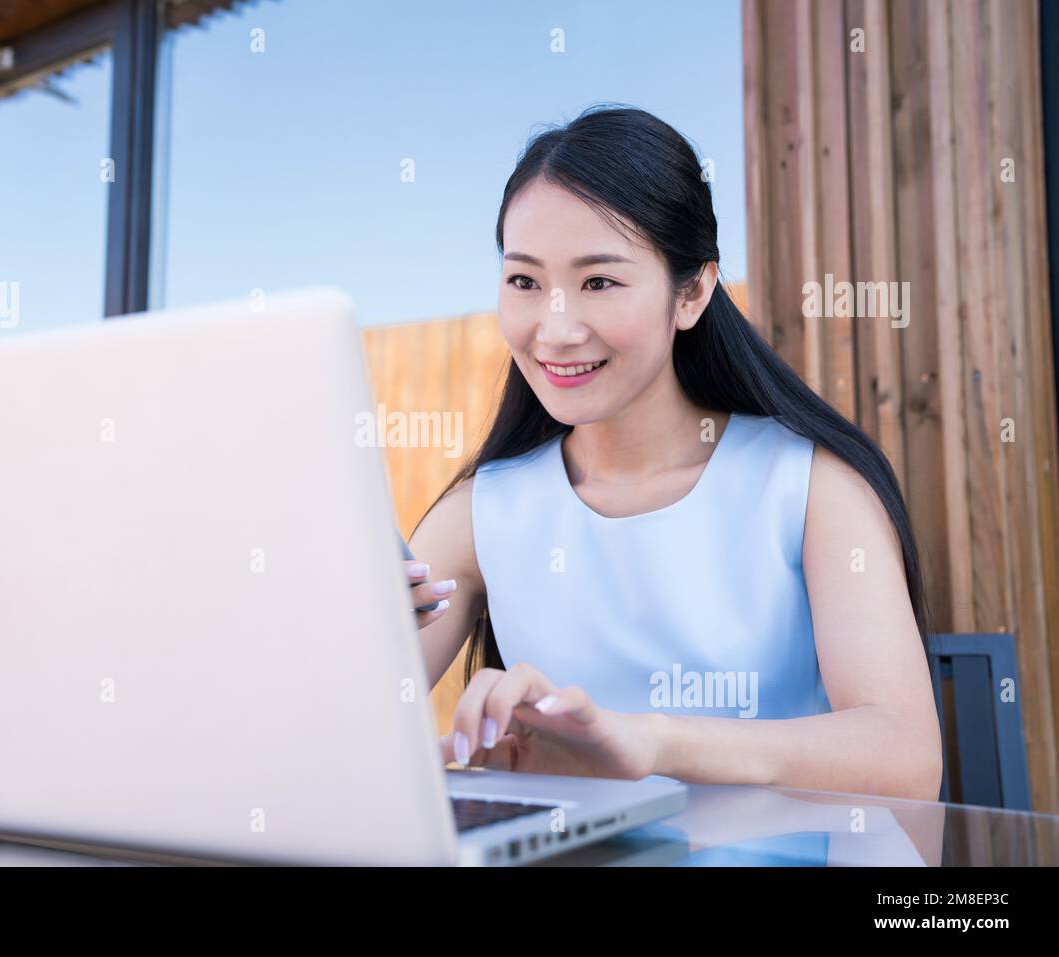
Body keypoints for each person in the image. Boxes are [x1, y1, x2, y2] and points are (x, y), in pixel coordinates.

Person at [402, 105, 942, 801]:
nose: (555, 328)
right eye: (524, 281)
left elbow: (905, 755)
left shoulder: (808, 485)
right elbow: (340, 728)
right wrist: (345, 623)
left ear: (692, 291)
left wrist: (648, 741)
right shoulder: (483, 510)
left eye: (599, 281)